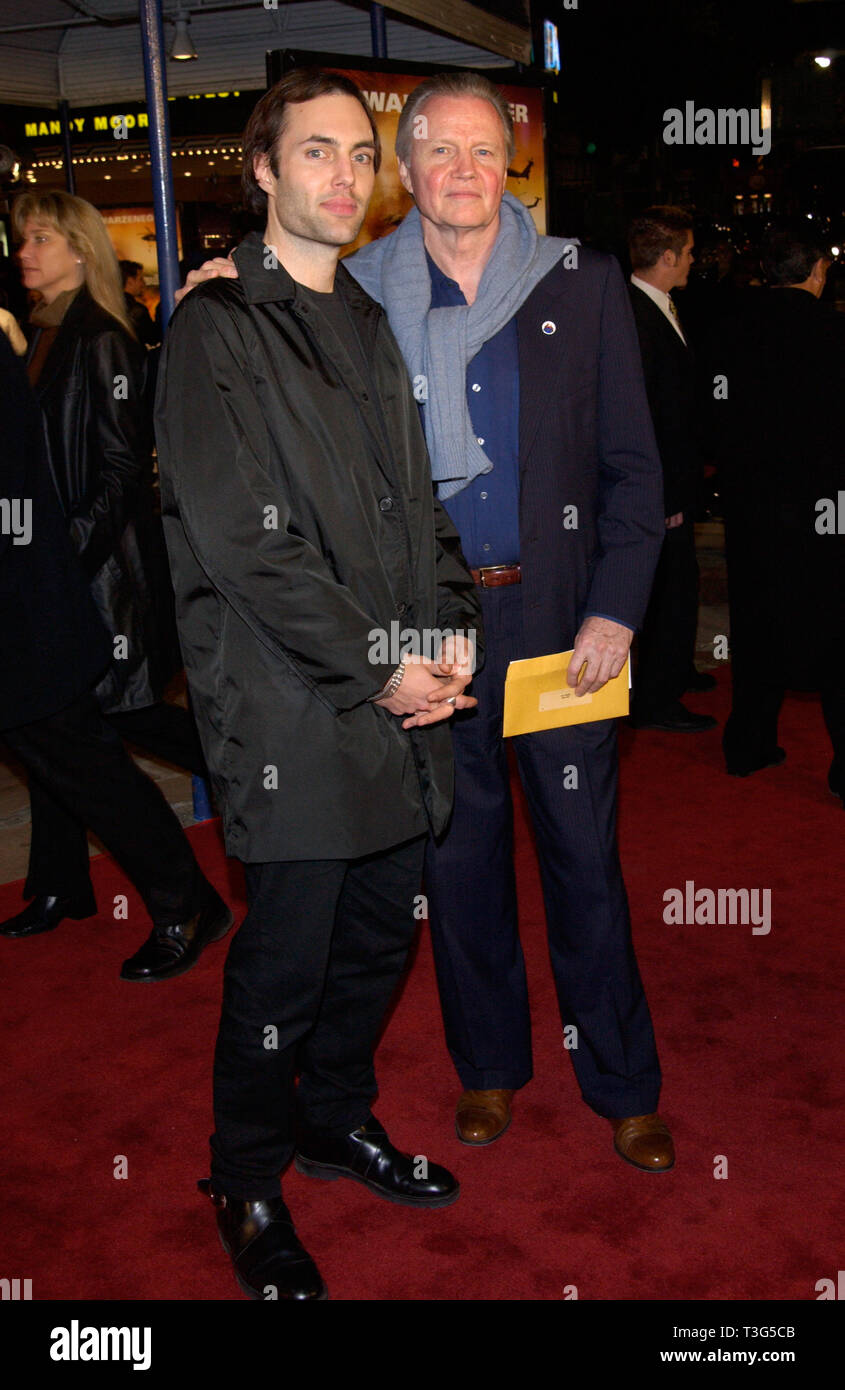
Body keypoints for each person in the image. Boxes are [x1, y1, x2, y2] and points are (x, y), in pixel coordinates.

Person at [180, 70, 675, 1172]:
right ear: (404, 174)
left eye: (482, 152)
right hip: (423, 636)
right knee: (452, 868)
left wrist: (613, 614)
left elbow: (636, 472)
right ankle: (489, 1067)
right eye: (435, 152)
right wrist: (220, 275)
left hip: (558, 629)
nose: (461, 171)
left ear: (512, 167)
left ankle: (623, 1081)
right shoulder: (352, 293)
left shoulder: (580, 282)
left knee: (584, 864)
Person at [155, 69, 482, 1301]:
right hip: (293, 718)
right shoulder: (214, 328)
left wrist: (449, 633)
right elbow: (246, 546)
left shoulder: (364, 320)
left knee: (370, 952)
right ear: (262, 169)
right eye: (315, 154)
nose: (343, 177)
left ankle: (331, 1117)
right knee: (281, 976)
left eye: (360, 155)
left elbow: (418, 511)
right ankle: (243, 1180)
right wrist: (381, 667)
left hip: (397, 714)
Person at [1, 191, 218, 984]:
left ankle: (247, 771)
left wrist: (58, 560)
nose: (25, 251)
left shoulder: (99, 337)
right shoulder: (40, 335)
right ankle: (62, 884)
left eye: (42, 238)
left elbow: (122, 472)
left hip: (98, 577)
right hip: (58, 573)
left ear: (81, 249)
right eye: (22, 237)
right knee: (72, 734)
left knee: (112, 725)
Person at [714, 223, 845, 790]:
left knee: (755, 624)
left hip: (752, 509)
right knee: (838, 631)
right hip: (827, 510)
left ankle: (748, 745)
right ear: (817, 271)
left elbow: (712, 415)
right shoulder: (836, 332)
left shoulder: (728, 331)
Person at [627, 206, 717, 731]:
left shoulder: (660, 306)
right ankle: (658, 699)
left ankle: (676, 671)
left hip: (675, 480)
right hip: (658, 490)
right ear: (666, 257)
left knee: (679, 585)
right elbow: (641, 419)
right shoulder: (634, 316)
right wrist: (658, 498)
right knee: (666, 594)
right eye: (687, 252)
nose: (693, 260)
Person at [119, 259, 159, 347]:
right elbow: (153, 338)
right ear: (130, 281)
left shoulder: (112, 306)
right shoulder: (138, 310)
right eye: (140, 279)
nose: (143, 283)